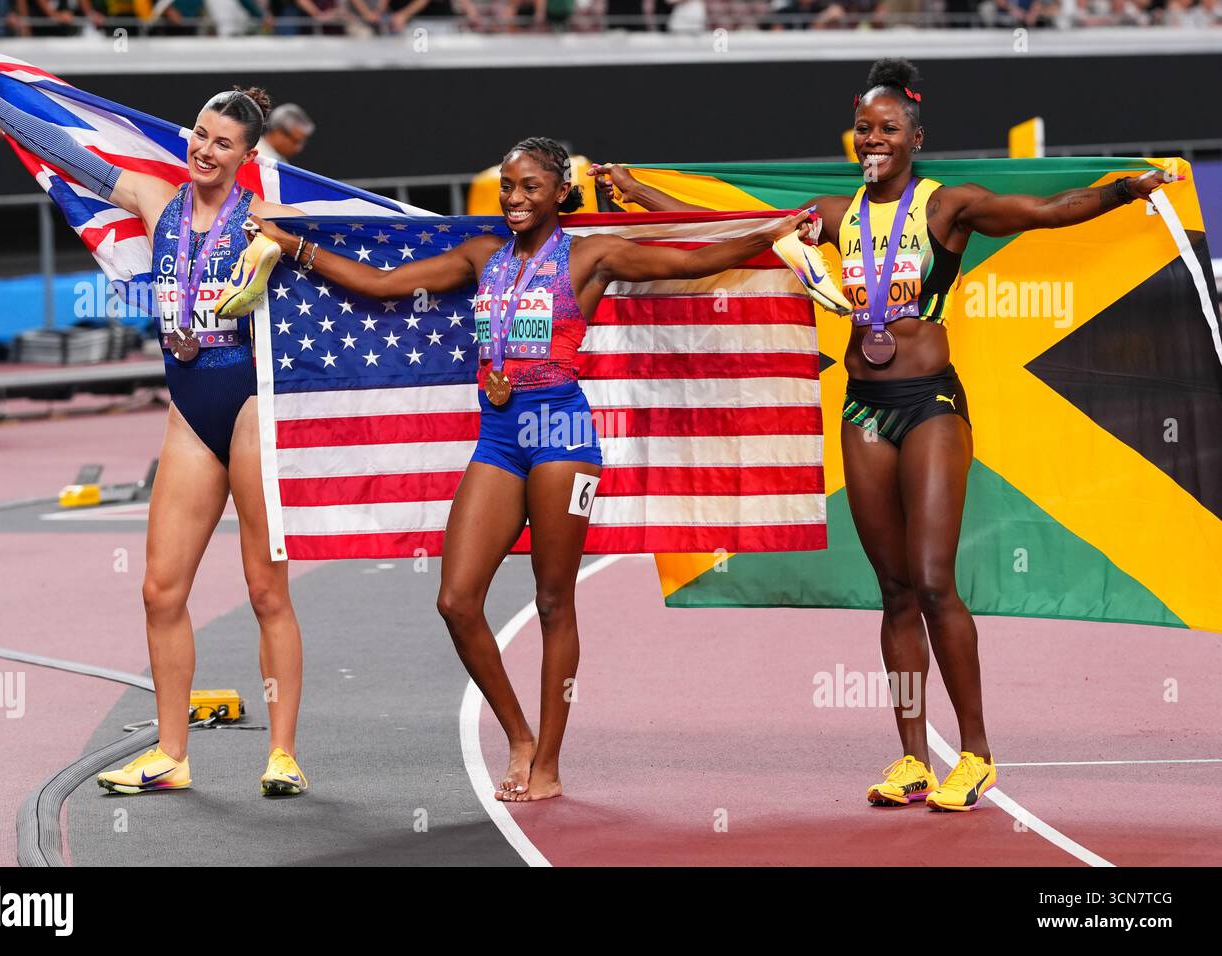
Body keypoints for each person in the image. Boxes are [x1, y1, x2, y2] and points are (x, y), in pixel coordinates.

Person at [592, 58, 1171, 812]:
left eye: (888, 129)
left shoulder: (947, 209)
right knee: (894, 592)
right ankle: (910, 759)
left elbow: (1047, 210)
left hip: (930, 404)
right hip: (864, 410)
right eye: (864, 128)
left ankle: (976, 752)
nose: (873, 139)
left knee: (932, 582)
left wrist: (1129, 189)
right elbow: (731, 235)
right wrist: (638, 193)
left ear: (915, 136)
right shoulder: (834, 218)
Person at [249, 137, 810, 801]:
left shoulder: (591, 255)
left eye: (530, 188)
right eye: (508, 187)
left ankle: (547, 761)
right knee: (456, 600)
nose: (515, 199)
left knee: (552, 601)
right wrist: (292, 246)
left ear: (560, 193)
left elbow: (694, 260)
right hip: (499, 436)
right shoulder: (482, 254)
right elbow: (380, 285)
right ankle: (516, 734)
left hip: (562, 435)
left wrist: (771, 234)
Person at [0, 46, 314, 797]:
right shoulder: (155, 200)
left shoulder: (267, 216)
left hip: (247, 405)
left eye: (223, 143)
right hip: (188, 408)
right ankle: (173, 756)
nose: (205, 149)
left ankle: (282, 755)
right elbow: (64, 148)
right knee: (159, 591)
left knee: (266, 591)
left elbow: (362, 262)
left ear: (246, 156)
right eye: (200, 135)